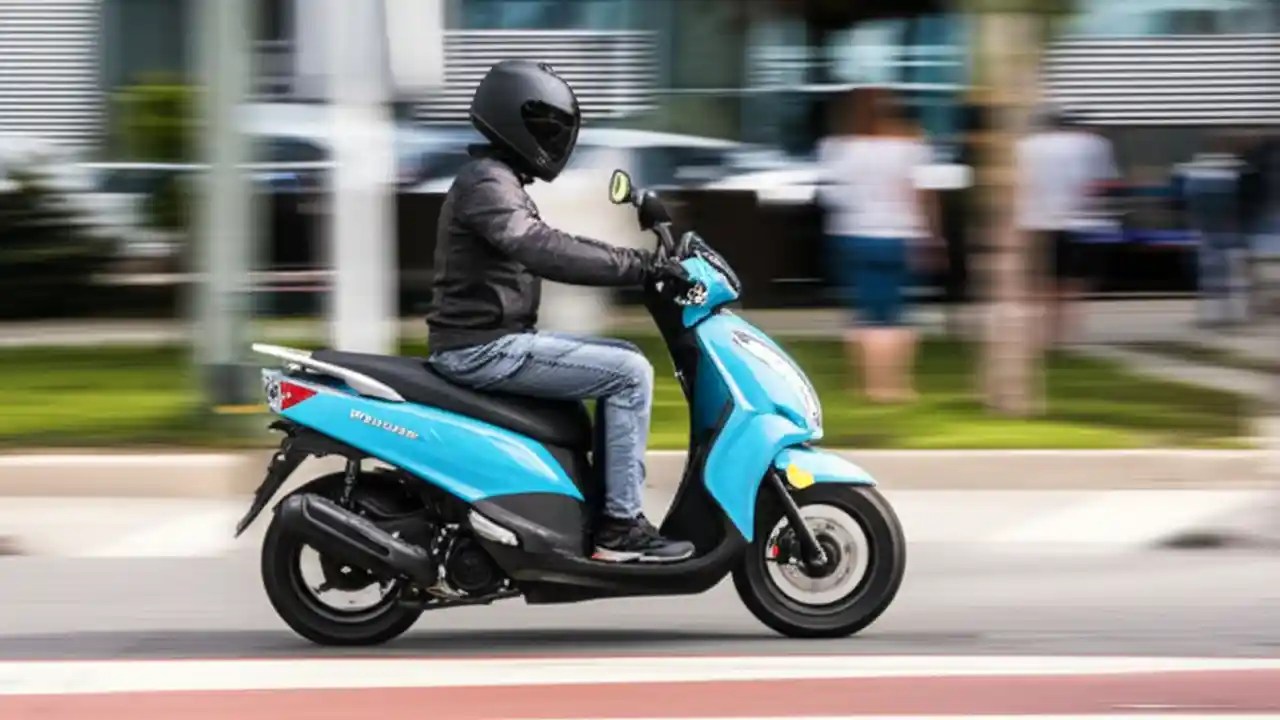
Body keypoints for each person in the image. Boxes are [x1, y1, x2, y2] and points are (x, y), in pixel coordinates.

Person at [425, 60, 695, 563]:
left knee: (600, 379)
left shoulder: (496, 180)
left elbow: (550, 244)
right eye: (547, 129)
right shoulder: (488, 183)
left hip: (488, 339)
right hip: (481, 348)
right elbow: (542, 247)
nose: (555, 142)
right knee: (629, 371)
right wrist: (639, 267)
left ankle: (586, 516)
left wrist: (639, 265)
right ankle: (620, 527)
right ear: (516, 122)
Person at [816, 87, 945, 403]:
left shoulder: (837, 148)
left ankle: (867, 384)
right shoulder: (911, 145)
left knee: (864, 312)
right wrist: (932, 235)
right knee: (897, 312)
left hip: (853, 234)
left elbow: (830, 196)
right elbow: (922, 193)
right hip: (901, 234)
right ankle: (897, 385)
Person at [1015, 105, 1120, 347]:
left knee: (1042, 282)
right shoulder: (1095, 144)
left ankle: (1042, 333)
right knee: (1073, 282)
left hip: (1035, 220)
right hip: (1082, 222)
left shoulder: (1025, 146)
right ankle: (1065, 334)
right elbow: (1103, 183)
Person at [1178, 132, 1248, 327]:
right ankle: (1228, 314)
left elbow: (1188, 203)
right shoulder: (1234, 170)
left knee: (1209, 274)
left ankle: (1210, 316)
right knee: (1229, 274)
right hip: (1229, 228)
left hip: (1206, 229)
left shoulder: (1194, 171)